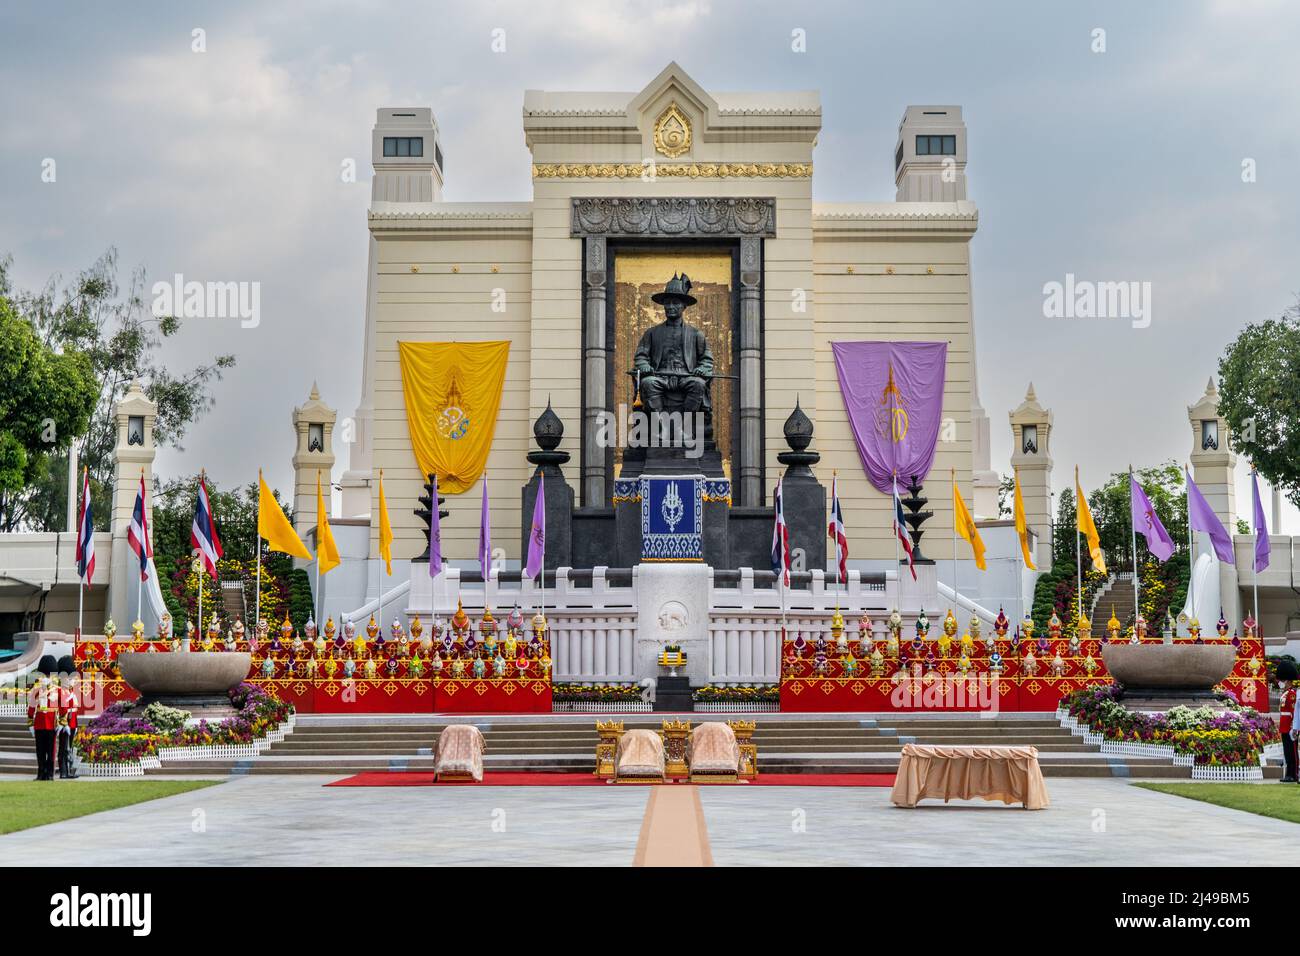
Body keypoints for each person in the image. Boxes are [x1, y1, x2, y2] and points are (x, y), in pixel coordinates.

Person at [26, 655, 58, 781]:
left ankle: (49, 774)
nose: (45, 678)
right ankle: (40, 773)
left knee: (50, 752)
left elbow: (62, 708)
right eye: (44, 676)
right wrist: (30, 723)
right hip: (39, 723)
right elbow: (32, 707)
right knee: (40, 751)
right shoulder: (36, 690)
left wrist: (61, 723)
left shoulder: (57, 690)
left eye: (47, 676)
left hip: (51, 723)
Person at [55, 655, 80, 779]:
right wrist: (64, 724)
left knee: (69, 748)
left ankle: (68, 770)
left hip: (72, 722)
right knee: (63, 747)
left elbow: (74, 710)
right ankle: (63, 771)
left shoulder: (70, 691)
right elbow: (61, 709)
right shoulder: (60, 691)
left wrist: (75, 725)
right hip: (65, 723)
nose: (72, 680)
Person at [1277, 659, 1299, 783]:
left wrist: (1293, 727)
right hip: (1284, 727)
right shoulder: (1285, 693)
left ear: (1287, 680)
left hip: (1290, 727)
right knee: (1287, 751)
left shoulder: (1291, 694)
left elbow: (1293, 712)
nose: (1280, 682)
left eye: (1281, 680)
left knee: (1292, 752)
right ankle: (1289, 774)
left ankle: (1294, 774)